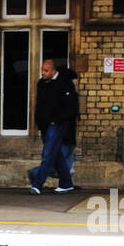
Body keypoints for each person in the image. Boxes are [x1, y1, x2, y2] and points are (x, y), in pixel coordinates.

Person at [28, 58, 78, 194]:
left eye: (46, 70)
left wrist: (58, 120)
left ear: (53, 70)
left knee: (48, 154)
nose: (43, 73)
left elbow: (71, 107)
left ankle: (37, 184)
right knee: (57, 155)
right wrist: (39, 122)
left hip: (57, 125)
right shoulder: (41, 84)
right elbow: (40, 105)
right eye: (42, 70)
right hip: (45, 125)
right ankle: (66, 183)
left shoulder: (63, 84)